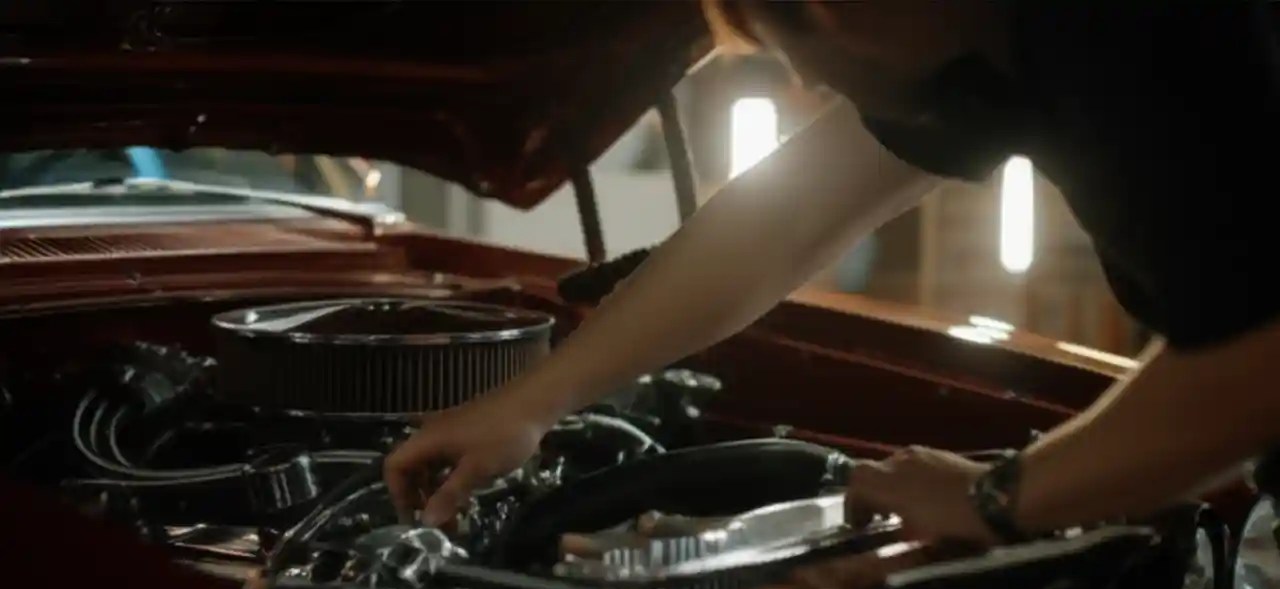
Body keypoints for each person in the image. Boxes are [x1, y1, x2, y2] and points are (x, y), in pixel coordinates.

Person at [385, 0, 1279, 547]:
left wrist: (994, 499)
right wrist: (536, 399)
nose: (809, 81)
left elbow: (1260, 361)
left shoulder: (1130, 30)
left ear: (830, 9)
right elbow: (792, 214)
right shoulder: (993, 40)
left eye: (784, 50)